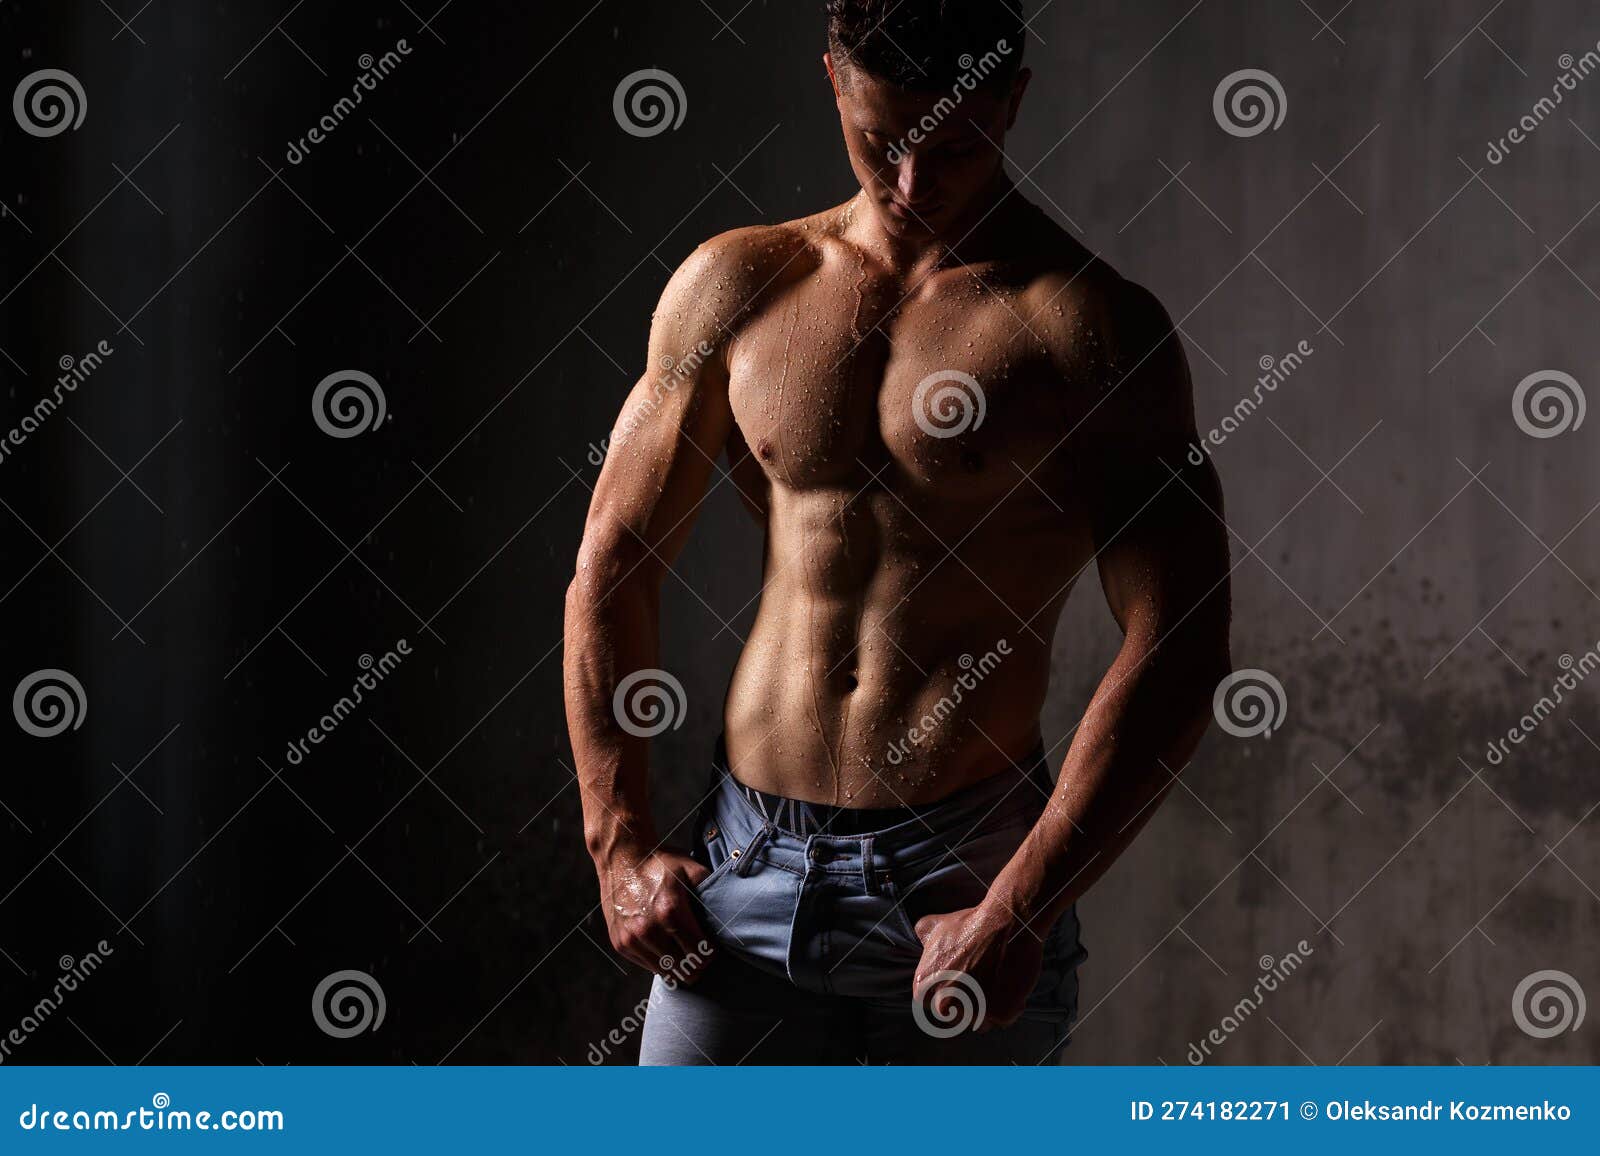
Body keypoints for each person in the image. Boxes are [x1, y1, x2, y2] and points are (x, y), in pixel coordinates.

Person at [563, 0, 1232, 1064]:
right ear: (833, 79)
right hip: (739, 871)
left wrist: (1019, 906)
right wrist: (618, 848)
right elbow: (614, 560)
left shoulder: (1088, 330)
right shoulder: (741, 284)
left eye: (956, 146)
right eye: (882, 142)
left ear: (1013, 100)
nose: (914, 184)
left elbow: (1181, 640)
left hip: (966, 875)